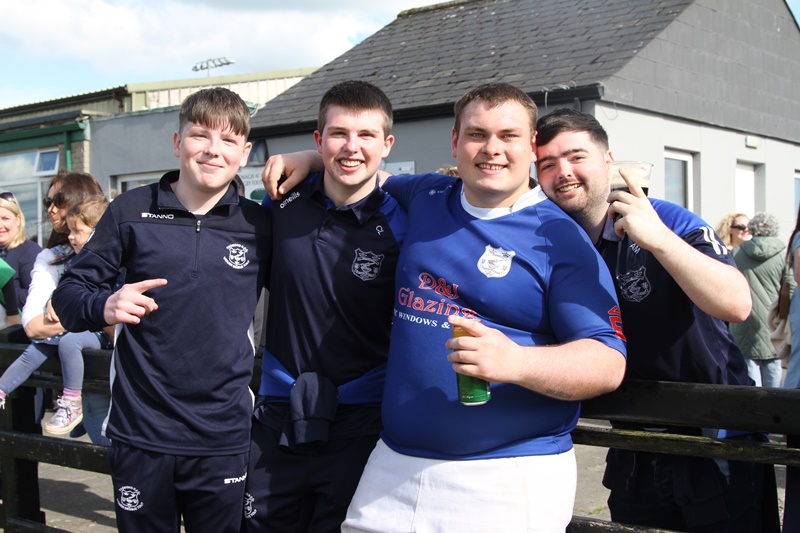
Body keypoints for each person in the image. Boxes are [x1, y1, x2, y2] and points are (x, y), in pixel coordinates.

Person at [263, 82, 627, 532]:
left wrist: (515, 362)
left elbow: (607, 361)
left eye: (508, 136)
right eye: (476, 134)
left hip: (506, 474)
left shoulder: (561, 239)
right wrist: (311, 158)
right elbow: (359, 167)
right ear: (455, 141)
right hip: (394, 466)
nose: (491, 149)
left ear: (531, 147)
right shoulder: (427, 195)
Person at [534, 107, 779, 532]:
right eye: (548, 164)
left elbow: (737, 304)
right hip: (633, 448)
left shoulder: (666, 219)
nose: (563, 172)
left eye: (576, 157)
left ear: (608, 160)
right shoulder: (554, 241)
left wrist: (660, 240)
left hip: (714, 441)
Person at [52, 87, 271, 532]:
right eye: (200, 135)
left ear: (244, 153)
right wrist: (105, 304)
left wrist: (310, 157)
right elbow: (69, 297)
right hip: (141, 432)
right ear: (177, 143)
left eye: (229, 140)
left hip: (223, 435)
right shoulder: (130, 210)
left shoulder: (259, 223)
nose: (213, 150)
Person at [243, 80, 404, 532]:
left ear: (387, 144)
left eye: (367, 136)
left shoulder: (406, 214)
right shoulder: (279, 203)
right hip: (278, 414)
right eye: (338, 134)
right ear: (318, 139)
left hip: (363, 421)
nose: (351, 147)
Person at [0, 173, 104, 431]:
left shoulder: (111, 250)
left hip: (106, 357)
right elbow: (34, 326)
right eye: (48, 201)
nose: (51, 208)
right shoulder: (52, 257)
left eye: (59, 199)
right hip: (79, 350)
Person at [729, 213, 785, 388]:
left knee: (750, 376)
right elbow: (791, 286)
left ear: (752, 228)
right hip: (773, 322)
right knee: (774, 373)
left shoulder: (737, 252)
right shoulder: (783, 253)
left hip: (744, 318)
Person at [0, 190, 42, 327]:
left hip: (18, 332)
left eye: (5, 219)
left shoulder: (30, 252)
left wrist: (6, 291)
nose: (0, 226)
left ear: (18, 220)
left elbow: (36, 295)